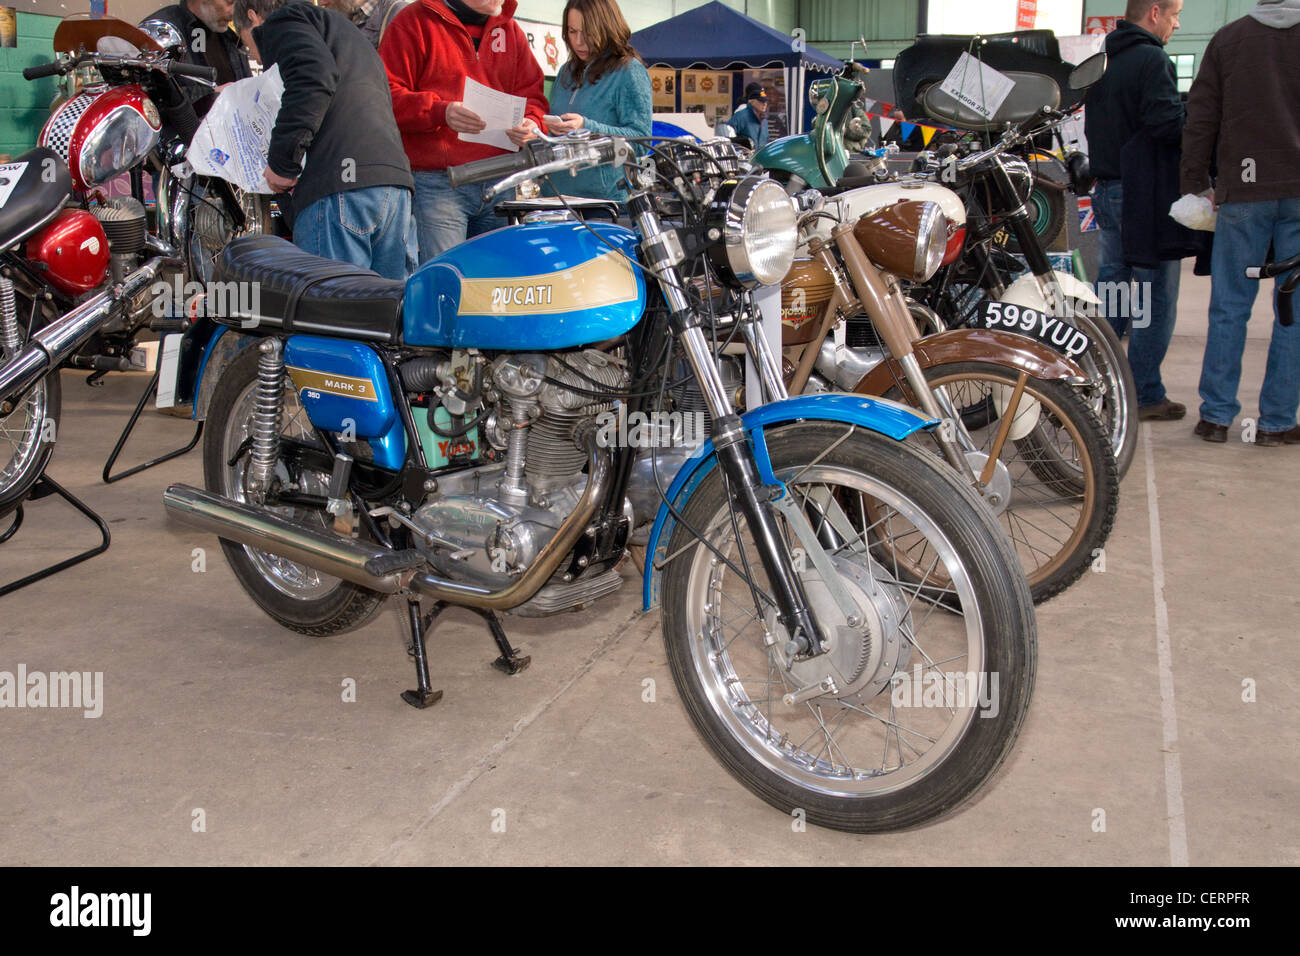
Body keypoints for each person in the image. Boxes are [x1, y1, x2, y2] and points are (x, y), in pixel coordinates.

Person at [1181, 0, 1300, 446]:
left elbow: (1201, 114)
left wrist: (1196, 181)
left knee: (1230, 305)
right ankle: (1278, 422)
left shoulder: (1230, 39)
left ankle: (1215, 417)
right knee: (1293, 310)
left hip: (1243, 187)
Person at [234, 0, 416, 279]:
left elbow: (313, 77)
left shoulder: (283, 21)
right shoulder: (341, 30)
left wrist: (282, 163)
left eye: (247, 44)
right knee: (389, 314)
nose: (256, 59)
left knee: (332, 311)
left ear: (253, 17)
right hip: (393, 186)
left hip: (339, 188)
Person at [1084, 0, 1188, 422]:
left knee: (1116, 292)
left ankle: (1101, 386)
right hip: (1143, 195)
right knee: (1155, 295)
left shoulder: (1103, 62)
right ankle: (1144, 392)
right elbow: (1166, 124)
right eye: (1175, 15)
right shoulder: (1151, 59)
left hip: (1106, 189)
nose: (1177, 25)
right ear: (1155, 12)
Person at [381, 0, 547, 262]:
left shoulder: (511, 31)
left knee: (495, 285)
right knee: (449, 283)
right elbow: (385, 94)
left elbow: (533, 96)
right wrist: (440, 111)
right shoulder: (413, 21)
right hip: (440, 184)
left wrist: (532, 123)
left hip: (501, 179)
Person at [543, 0, 651, 202]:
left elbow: (641, 143)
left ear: (607, 27)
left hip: (602, 206)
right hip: (554, 199)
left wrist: (588, 128)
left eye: (588, 33)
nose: (578, 41)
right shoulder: (565, 72)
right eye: (572, 31)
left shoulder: (629, 71)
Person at [144, 0, 251, 116]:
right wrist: (210, 97)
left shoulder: (229, 35)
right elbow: (153, 101)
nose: (234, 11)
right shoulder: (160, 32)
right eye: (230, 2)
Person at [729, 82, 769, 150]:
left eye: (765, 101)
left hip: (759, 158)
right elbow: (726, 136)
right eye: (761, 101)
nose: (764, 104)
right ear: (752, 101)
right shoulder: (741, 116)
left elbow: (765, 140)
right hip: (744, 158)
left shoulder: (764, 120)